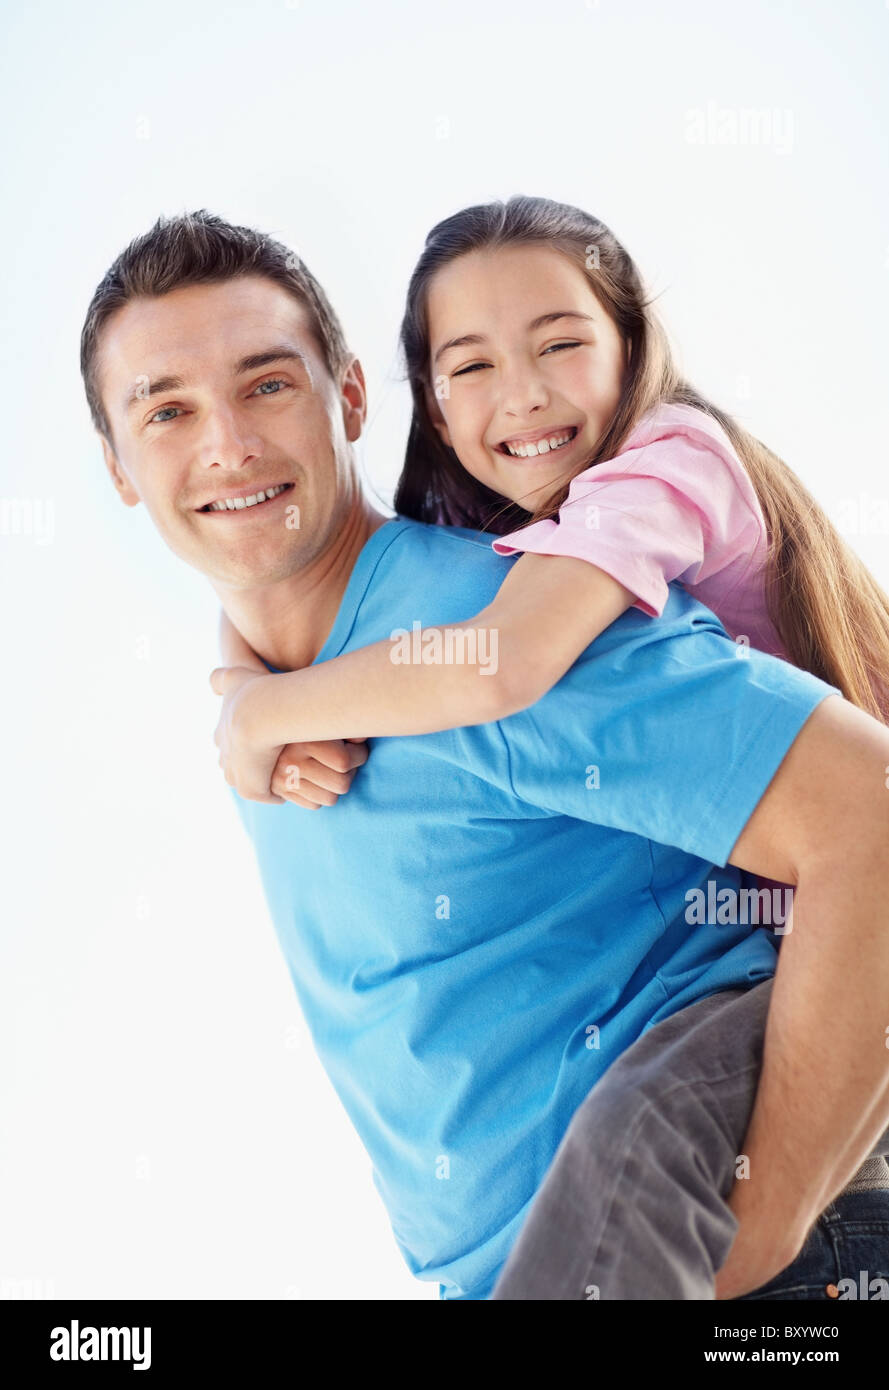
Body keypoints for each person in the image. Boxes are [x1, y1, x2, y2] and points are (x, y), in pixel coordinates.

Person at [80, 207, 889, 1301]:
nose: (227, 441)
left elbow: (872, 813)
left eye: (268, 383)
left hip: (733, 1257)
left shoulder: (494, 626)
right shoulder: (273, 706)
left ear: (351, 398)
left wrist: (770, 1222)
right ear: (119, 467)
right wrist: (245, 706)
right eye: (167, 410)